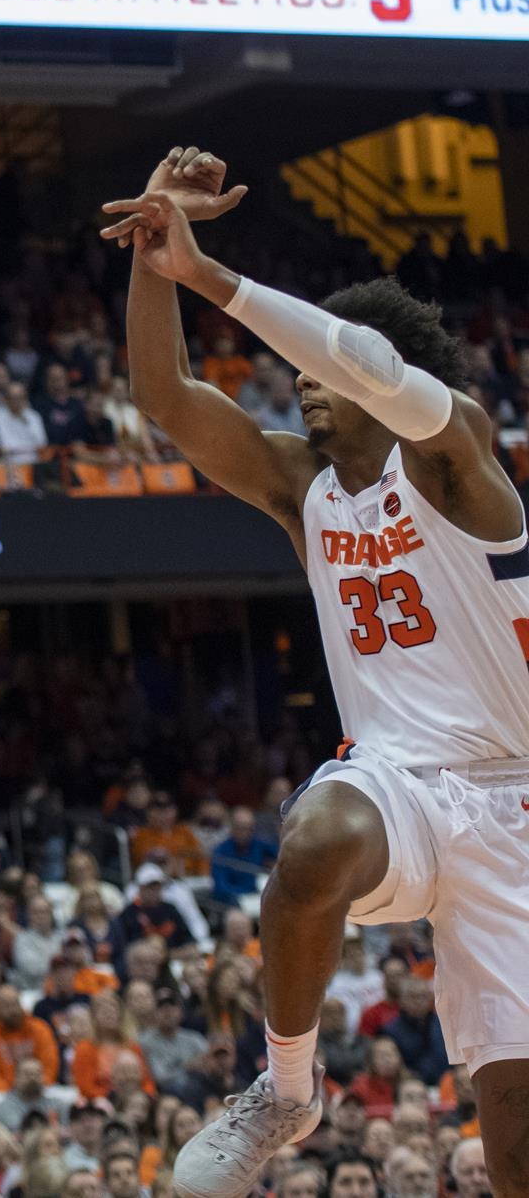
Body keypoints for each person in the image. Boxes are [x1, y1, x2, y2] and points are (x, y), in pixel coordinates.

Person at [108, 145, 529, 1197]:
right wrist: (156, 257)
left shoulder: (455, 454)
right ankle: (285, 1089)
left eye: (319, 365)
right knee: (313, 840)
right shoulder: (300, 485)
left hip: (512, 799)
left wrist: (213, 275)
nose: (302, 379)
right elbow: (164, 395)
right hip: (394, 782)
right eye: (296, 370)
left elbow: (367, 364)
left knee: (515, 1142)